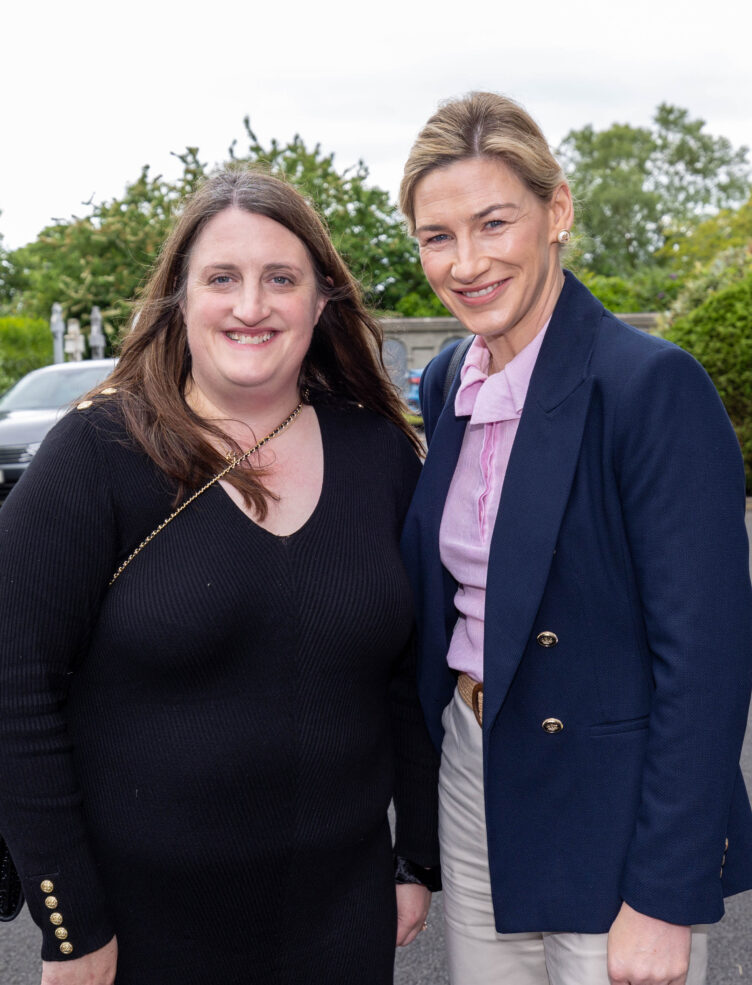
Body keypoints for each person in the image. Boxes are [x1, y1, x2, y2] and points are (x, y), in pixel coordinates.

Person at [0, 167, 439, 985]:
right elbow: (15, 688)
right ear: (179, 298)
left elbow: (407, 680)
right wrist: (69, 921)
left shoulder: (380, 455)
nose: (251, 306)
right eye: (222, 278)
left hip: (340, 920)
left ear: (321, 302)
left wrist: (415, 855)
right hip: (140, 932)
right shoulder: (97, 455)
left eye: (281, 278)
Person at [398, 92, 752, 985]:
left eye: (494, 223)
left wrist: (665, 893)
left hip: (612, 801)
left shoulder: (649, 386)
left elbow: (706, 662)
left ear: (556, 211)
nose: (467, 261)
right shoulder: (450, 376)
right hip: (473, 770)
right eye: (437, 235)